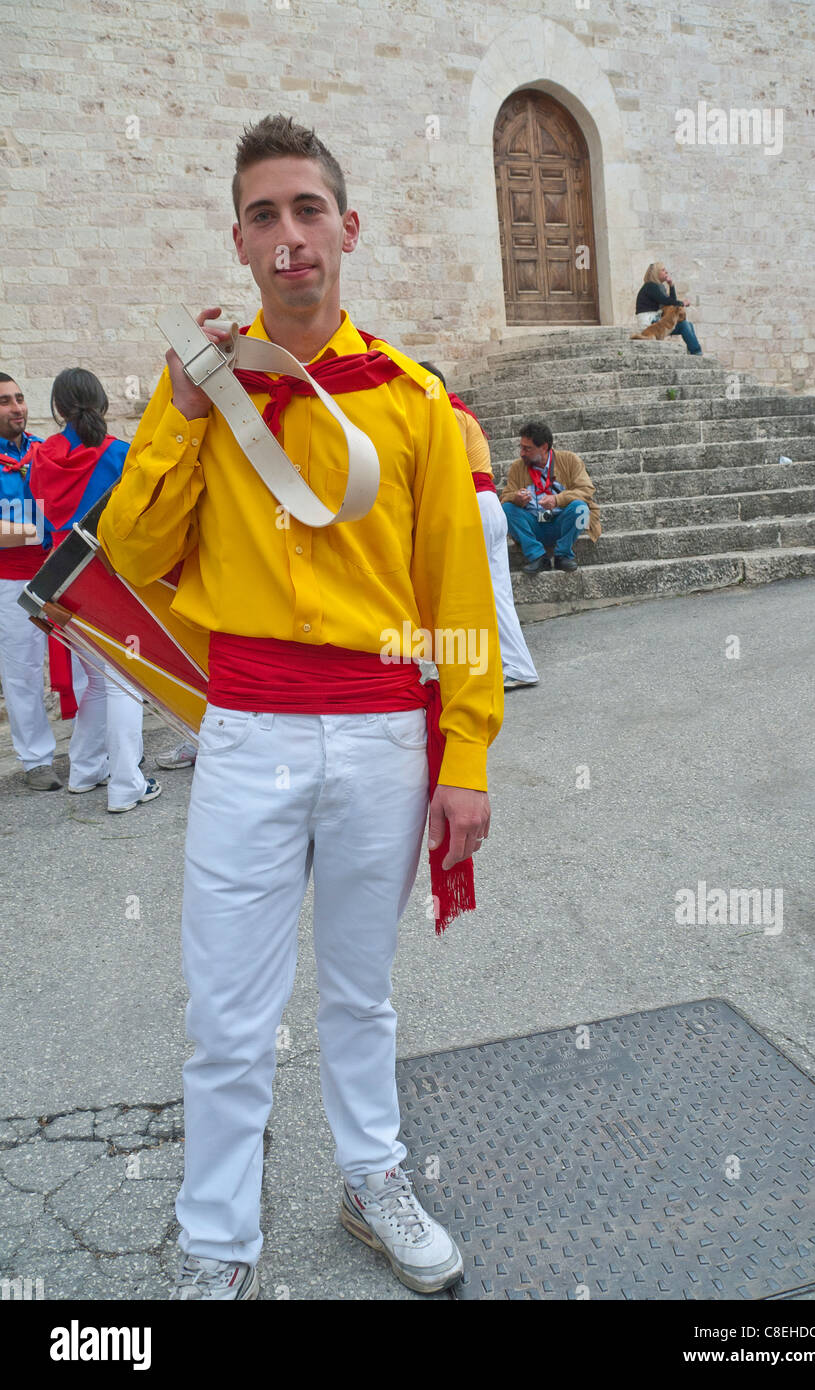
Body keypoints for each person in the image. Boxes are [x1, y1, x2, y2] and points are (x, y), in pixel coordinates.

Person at [96, 113, 502, 1300]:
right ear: (240, 242)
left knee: (359, 992)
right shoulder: (206, 398)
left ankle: (372, 1179)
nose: (290, 236)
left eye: (307, 209)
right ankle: (218, 1239)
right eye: (264, 216)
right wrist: (176, 404)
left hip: (381, 731)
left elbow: (458, 596)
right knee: (228, 1012)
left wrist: (464, 752)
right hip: (253, 729)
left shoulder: (418, 403)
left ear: (347, 227)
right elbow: (129, 549)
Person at [27, 369, 161, 813]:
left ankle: (85, 770)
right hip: (109, 576)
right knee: (123, 682)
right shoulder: (121, 454)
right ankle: (127, 784)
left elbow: (44, 523)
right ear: (102, 403)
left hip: (62, 580)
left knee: (101, 683)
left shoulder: (42, 457)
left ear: (58, 409)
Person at [419, 363, 539, 692]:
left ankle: (450, 670)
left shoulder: (451, 416)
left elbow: (446, 466)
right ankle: (517, 666)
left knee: (457, 591)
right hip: (484, 505)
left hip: (473, 504)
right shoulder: (456, 411)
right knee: (496, 593)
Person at [0, 372, 61, 788]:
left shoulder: (46, 451)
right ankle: (36, 760)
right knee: (22, 673)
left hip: (58, 575)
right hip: (12, 580)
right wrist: (42, 530)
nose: (18, 407)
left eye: (20, 397)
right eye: (5, 401)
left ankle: (95, 749)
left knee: (81, 666)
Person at [500, 421, 602, 575]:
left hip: (561, 523)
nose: (522, 453)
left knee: (581, 508)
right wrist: (516, 498)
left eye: (527, 449)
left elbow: (586, 490)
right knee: (506, 509)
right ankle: (538, 556)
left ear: (544, 447)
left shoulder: (569, 460)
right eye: (521, 447)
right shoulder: (517, 467)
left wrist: (557, 500)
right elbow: (505, 497)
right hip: (534, 524)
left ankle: (563, 555)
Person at [634, 262, 702, 354]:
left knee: (688, 325)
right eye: (663, 270)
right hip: (649, 323)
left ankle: (694, 352)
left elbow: (671, 304)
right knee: (684, 325)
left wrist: (671, 286)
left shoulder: (659, 287)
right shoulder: (650, 286)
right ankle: (696, 353)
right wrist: (682, 303)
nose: (666, 272)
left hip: (656, 320)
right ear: (656, 273)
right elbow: (667, 301)